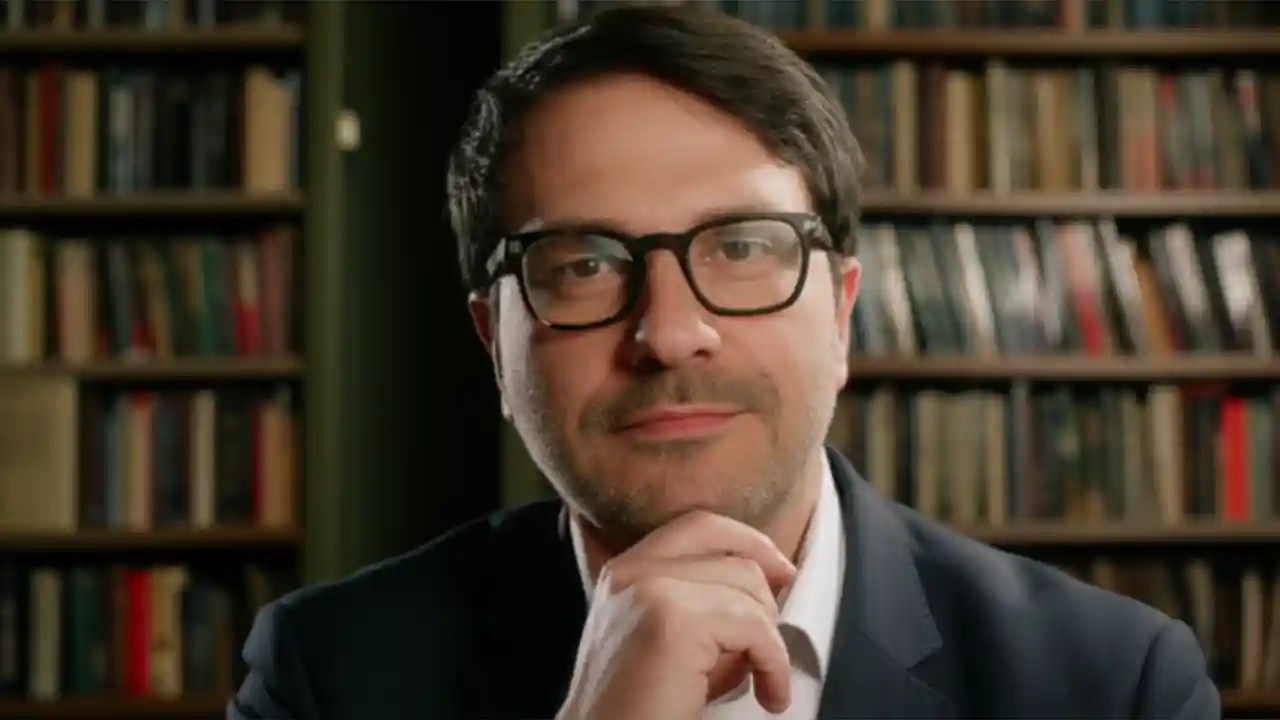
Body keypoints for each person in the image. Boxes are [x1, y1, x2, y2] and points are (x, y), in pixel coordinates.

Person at [227, 6, 1219, 719]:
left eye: (741, 248)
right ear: (496, 341)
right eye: (582, 264)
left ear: (838, 314)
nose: (667, 332)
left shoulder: (1109, 684)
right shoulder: (329, 675)